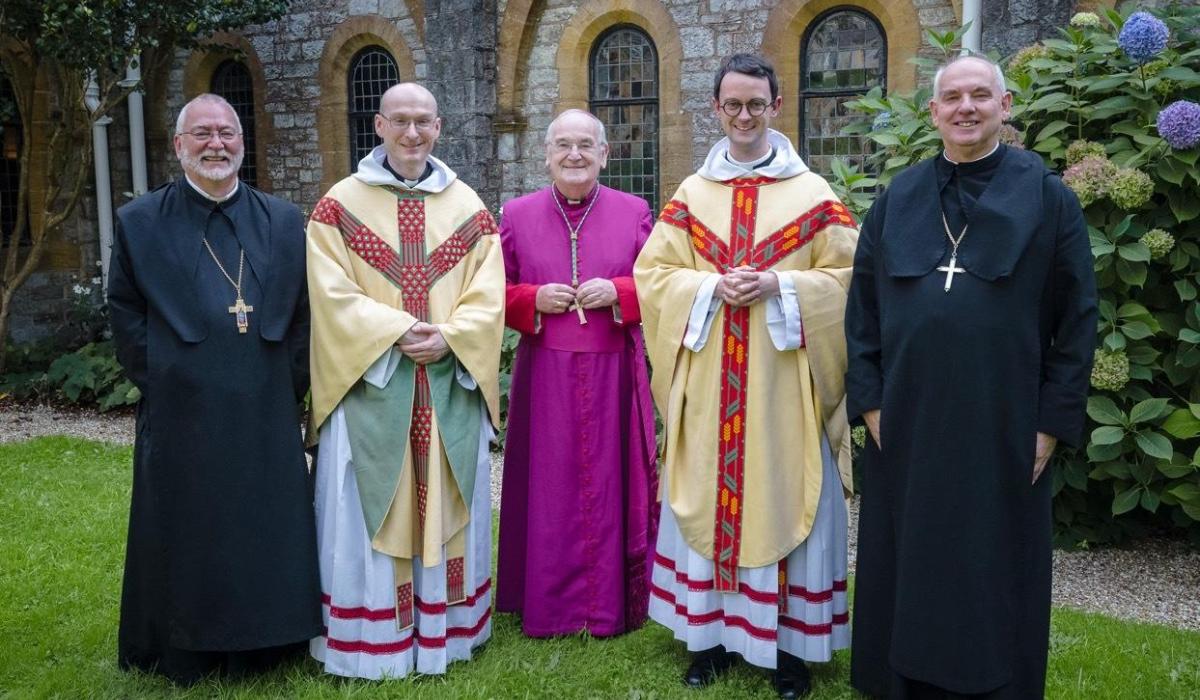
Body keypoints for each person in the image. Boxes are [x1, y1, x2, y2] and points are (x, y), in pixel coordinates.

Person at [846, 55, 1097, 699]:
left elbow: (1077, 319)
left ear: (1004, 107)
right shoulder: (896, 199)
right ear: (933, 112)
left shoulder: (1046, 198)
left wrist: (1050, 424)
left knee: (991, 565)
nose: (966, 108)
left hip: (1003, 422)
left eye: (980, 96)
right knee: (909, 563)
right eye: (952, 97)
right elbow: (863, 315)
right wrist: (871, 405)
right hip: (908, 421)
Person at [634, 54, 858, 699]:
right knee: (706, 495)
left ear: (776, 106)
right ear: (715, 109)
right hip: (710, 386)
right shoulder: (691, 195)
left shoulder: (813, 196)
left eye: (755, 104)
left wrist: (778, 284)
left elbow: (850, 282)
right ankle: (708, 640)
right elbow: (654, 279)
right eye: (731, 105)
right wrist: (707, 288)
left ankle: (788, 649)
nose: (743, 116)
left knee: (785, 493)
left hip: (783, 388)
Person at [107, 93, 320, 684]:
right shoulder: (140, 223)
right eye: (201, 133)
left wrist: (287, 385)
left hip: (264, 408)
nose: (216, 144)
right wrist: (165, 378)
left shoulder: (281, 220)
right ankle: (189, 650)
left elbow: (304, 312)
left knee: (265, 526)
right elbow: (124, 311)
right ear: (179, 146)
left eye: (226, 133)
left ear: (242, 144)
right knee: (185, 528)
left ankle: (269, 645)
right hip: (182, 410)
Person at [305, 82, 504, 679]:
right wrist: (397, 330)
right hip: (372, 384)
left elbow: (488, 294)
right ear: (378, 127)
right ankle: (368, 635)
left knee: (446, 496)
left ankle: (448, 629)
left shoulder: (468, 206)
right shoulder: (338, 206)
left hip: (446, 378)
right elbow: (330, 292)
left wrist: (451, 336)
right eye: (400, 121)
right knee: (367, 503)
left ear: (438, 127)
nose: (412, 133)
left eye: (423, 121)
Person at [496, 109, 658, 638]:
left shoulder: (634, 212)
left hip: (613, 371)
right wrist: (531, 299)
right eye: (563, 145)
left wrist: (621, 292)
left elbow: (663, 285)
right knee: (549, 487)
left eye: (586, 145)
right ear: (546, 154)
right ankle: (551, 607)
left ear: (604, 154)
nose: (574, 155)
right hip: (544, 373)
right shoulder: (517, 215)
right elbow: (487, 294)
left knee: (611, 486)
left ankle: (611, 606)